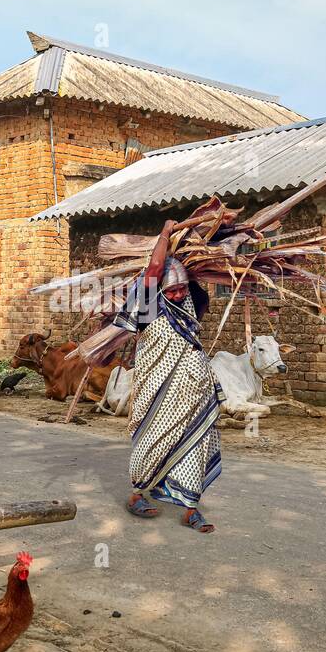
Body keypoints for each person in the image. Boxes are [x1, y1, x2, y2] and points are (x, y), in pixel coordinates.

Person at [114, 220, 223, 533]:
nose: (177, 294)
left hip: (195, 391)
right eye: (172, 289)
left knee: (196, 444)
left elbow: (196, 277)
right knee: (153, 441)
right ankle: (138, 494)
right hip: (158, 395)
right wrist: (165, 233)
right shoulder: (148, 306)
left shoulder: (188, 302)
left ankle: (190, 508)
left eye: (181, 288)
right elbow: (155, 267)